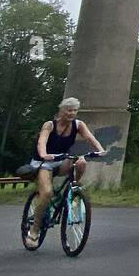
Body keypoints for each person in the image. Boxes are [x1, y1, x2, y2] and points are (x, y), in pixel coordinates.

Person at [25, 97, 106, 248]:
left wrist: (100, 150)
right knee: (47, 193)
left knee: (81, 161)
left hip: (62, 160)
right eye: (69, 110)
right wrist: (44, 154)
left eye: (75, 110)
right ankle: (34, 231)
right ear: (62, 110)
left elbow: (90, 137)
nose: (72, 113)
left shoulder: (78, 125)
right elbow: (41, 142)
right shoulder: (50, 125)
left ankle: (74, 187)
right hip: (44, 162)